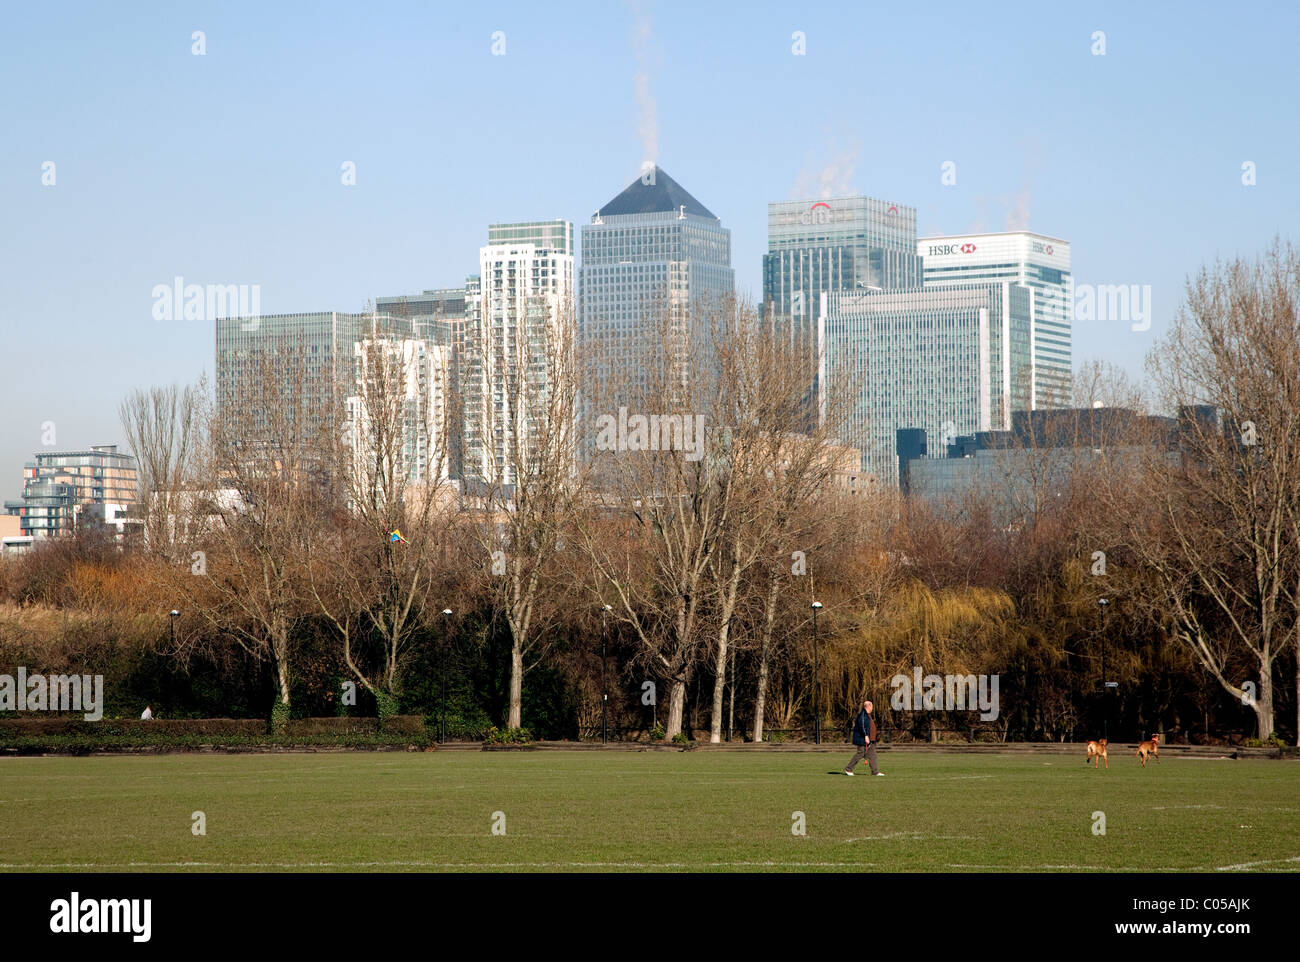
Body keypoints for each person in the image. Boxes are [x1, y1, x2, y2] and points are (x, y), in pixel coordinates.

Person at [844, 698, 883, 776]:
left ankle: (875, 772)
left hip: (871, 740)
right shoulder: (862, 715)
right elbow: (862, 726)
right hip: (863, 739)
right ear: (868, 706)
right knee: (860, 753)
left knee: (873, 755)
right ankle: (848, 769)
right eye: (871, 706)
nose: (872, 708)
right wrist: (866, 736)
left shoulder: (867, 715)